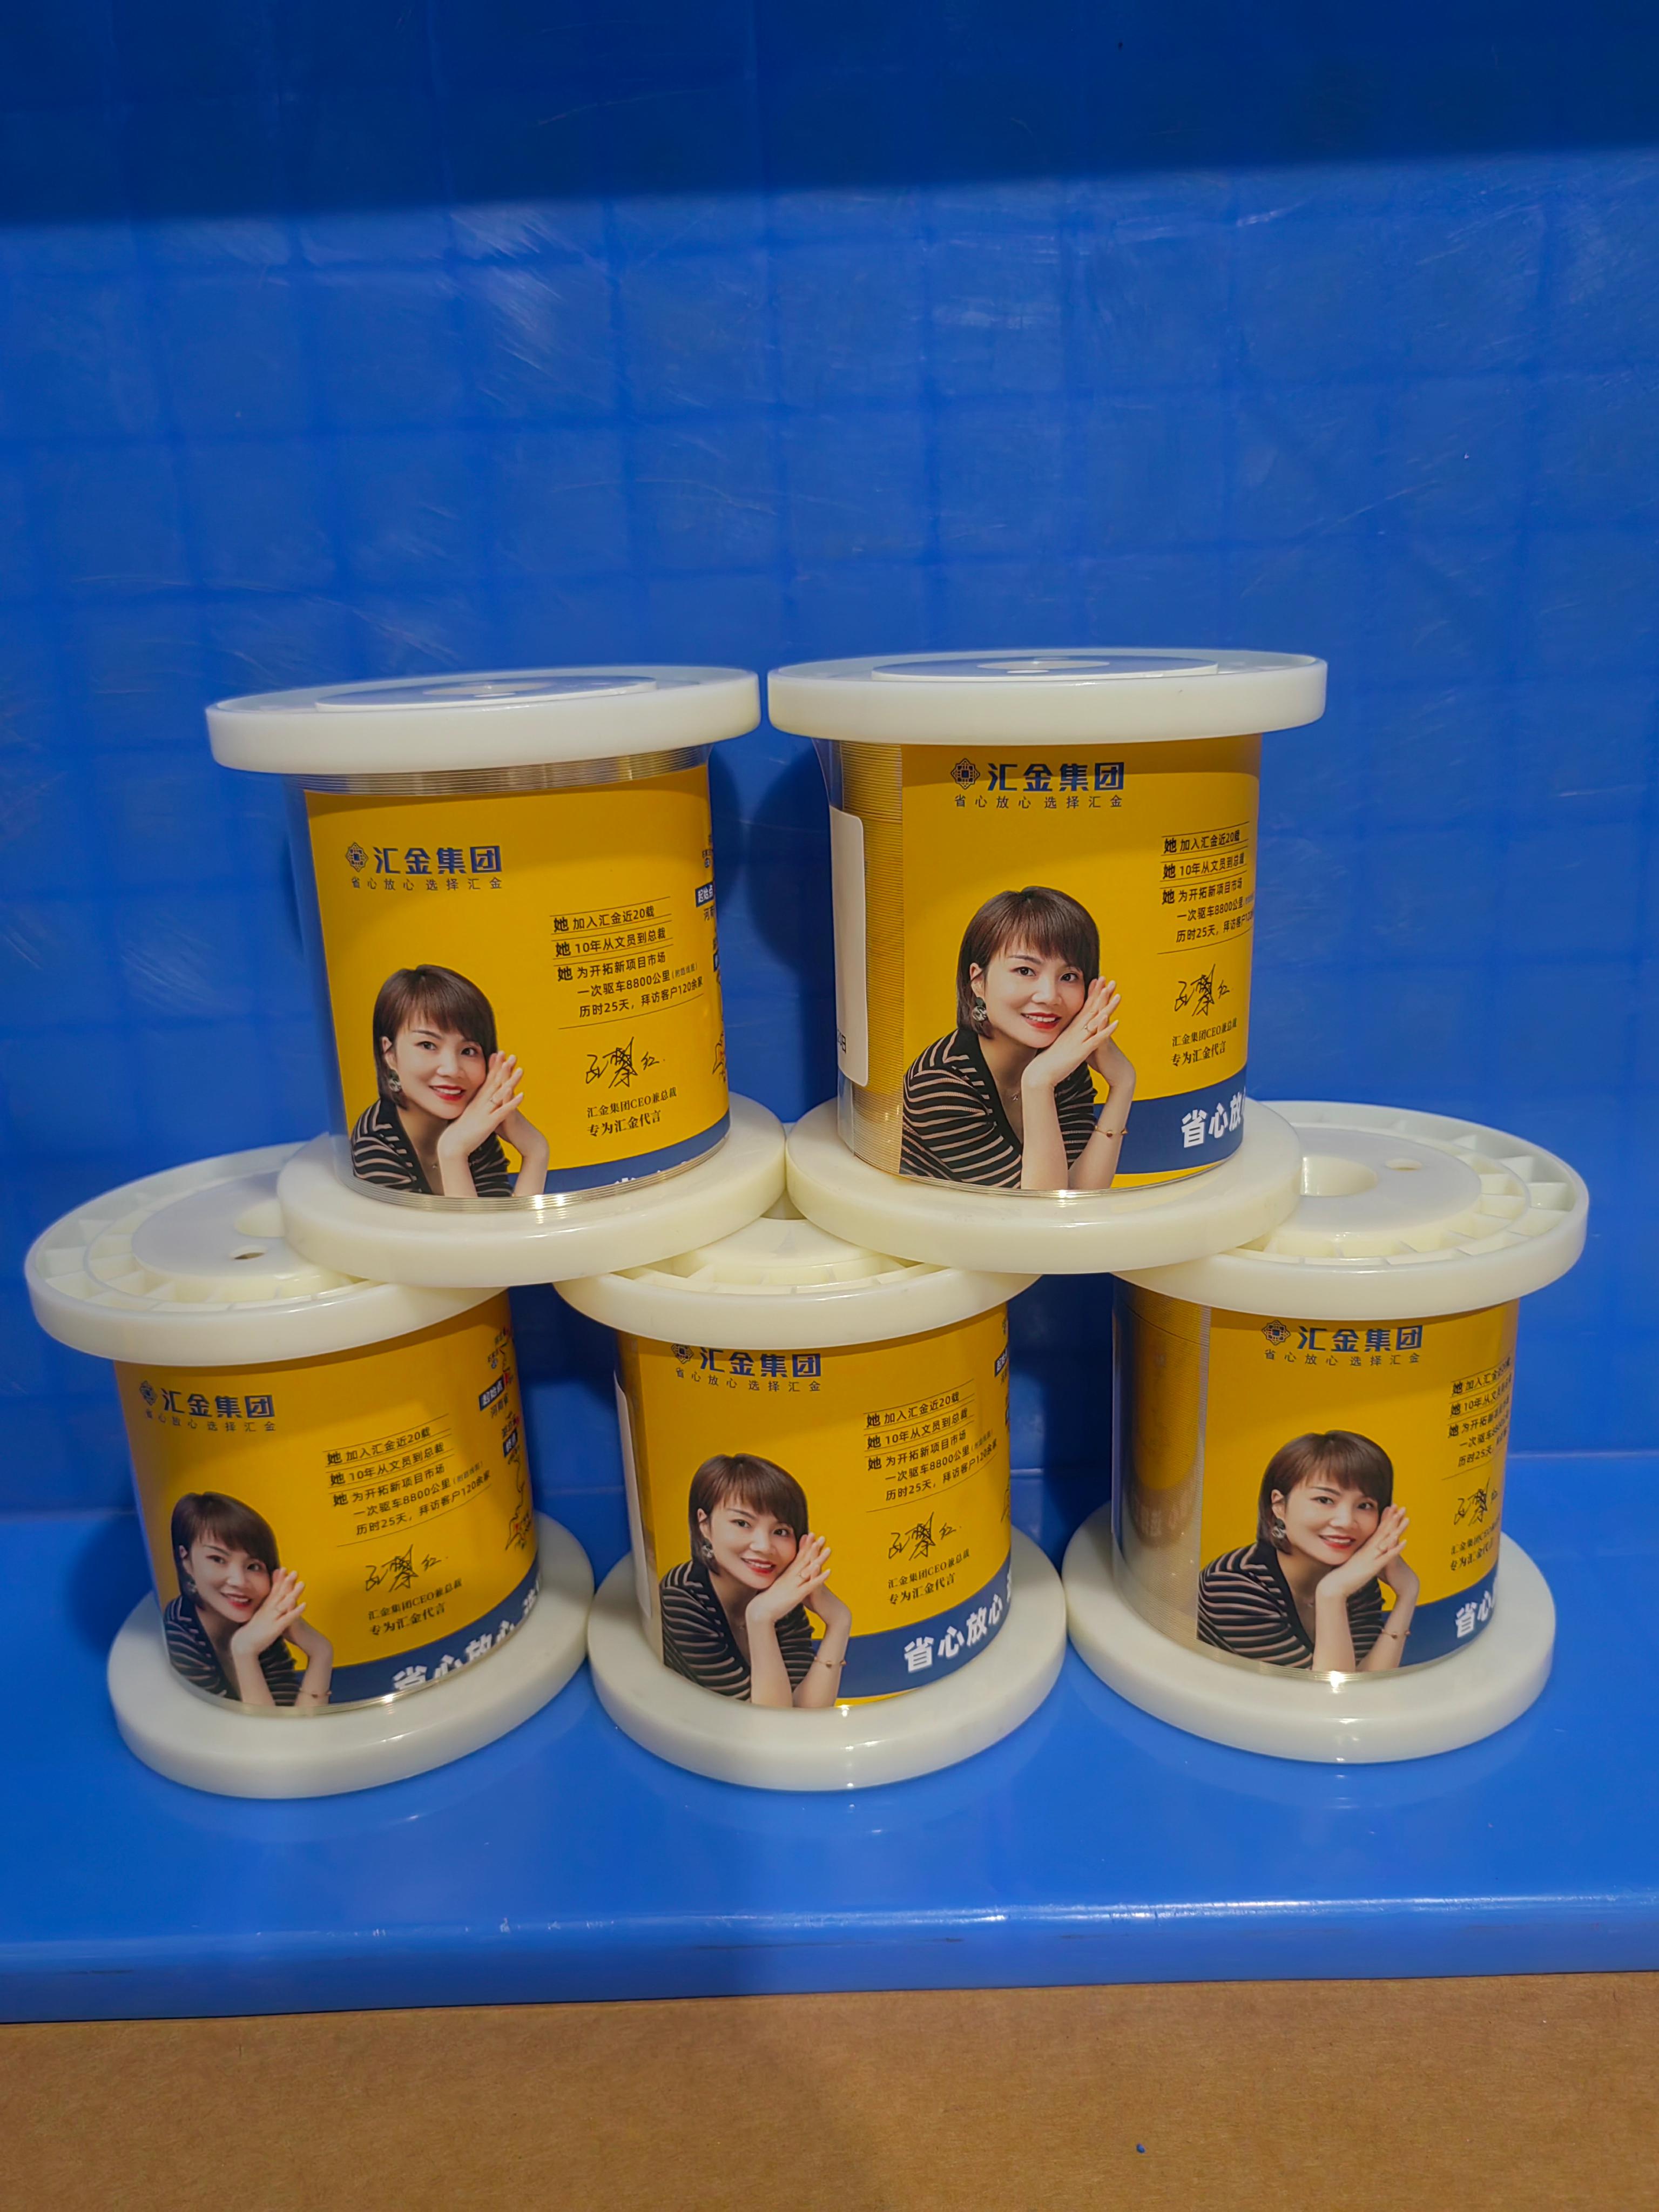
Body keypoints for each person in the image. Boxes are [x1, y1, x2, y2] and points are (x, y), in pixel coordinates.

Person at [901, 887, 1136, 1191]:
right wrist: (1038, 1083)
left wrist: (1123, 1084)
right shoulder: (939, 1084)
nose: (1049, 996)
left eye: (1068, 977)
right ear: (978, 981)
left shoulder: (1060, 1067)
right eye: (1025, 970)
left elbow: (1078, 1195)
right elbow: (1038, 1210)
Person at [1197, 1432, 1419, 1673]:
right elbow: (1323, 1692)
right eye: (1325, 1500)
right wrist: (1332, 1594)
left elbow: (1362, 1682)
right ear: (1279, 1506)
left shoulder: (1353, 1580)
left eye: (1365, 1506)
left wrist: (1408, 1593)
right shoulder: (1231, 1585)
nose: (1346, 1521)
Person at [658, 1453, 853, 1708]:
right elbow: (768, 1723)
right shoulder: (682, 1597)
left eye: (781, 1531)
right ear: (704, 1525)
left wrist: (839, 1621)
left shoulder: (777, 1594)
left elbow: (806, 1714)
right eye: (742, 1523)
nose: (764, 1546)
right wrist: (760, 1619)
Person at [350, 964, 549, 1199]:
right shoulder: (375, 1143)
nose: (452, 1069)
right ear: (390, 1054)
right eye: (428, 1045)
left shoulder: (473, 1130)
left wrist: (536, 1152)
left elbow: (498, 1221)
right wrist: (453, 1154)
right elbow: (471, 1226)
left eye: (468, 1051)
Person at [163, 1492, 334, 1710]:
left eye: (254, 1567)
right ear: (186, 1560)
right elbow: (263, 1731)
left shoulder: (259, 1625)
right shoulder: (180, 1630)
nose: (239, 1581)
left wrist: (321, 1652)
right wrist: (244, 1652)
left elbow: (292, 1724)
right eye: (218, 1559)